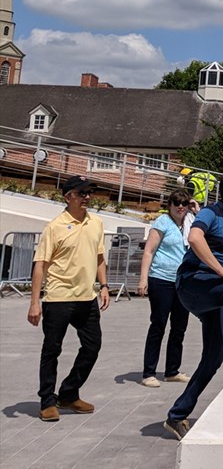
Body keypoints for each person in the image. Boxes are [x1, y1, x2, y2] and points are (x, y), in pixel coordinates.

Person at [164, 171, 223, 440]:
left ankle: (177, 415)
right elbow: (194, 238)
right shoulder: (211, 214)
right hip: (194, 283)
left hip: (218, 291)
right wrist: (221, 271)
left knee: (213, 359)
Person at [28, 175, 111, 422]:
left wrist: (104, 286)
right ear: (68, 197)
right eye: (81, 193)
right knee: (52, 350)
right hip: (58, 298)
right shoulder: (54, 227)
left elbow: (99, 257)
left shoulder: (96, 222)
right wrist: (34, 302)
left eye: (89, 192)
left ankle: (69, 393)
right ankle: (47, 401)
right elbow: (40, 265)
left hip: (87, 298)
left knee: (92, 346)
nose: (87, 197)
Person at [136, 190, 194, 387]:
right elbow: (149, 251)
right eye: (176, 203)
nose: (180, 207)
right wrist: (143, 279)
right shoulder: (163, 222)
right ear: (169, 204)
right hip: (161, 279)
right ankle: (149, 372)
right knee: (158, 325)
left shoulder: (189, 224)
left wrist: (196, 209)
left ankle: (172, 370)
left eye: (184, 203)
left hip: (181, 281)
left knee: (179, 327)